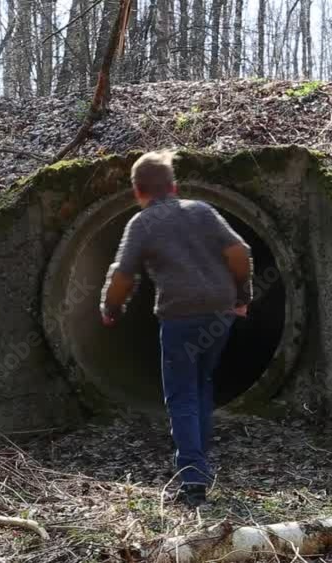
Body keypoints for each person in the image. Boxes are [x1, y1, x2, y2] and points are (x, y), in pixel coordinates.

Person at [100, 151, 253, 508]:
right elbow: (240, 251)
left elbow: (123, 274)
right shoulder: (201, 210)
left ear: (138, 192)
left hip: (180, 316)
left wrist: (111, 308)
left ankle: (194, 480)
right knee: (201, 384)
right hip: (219, 312)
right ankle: (199, 460)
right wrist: (242, 295)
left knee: (181, 393)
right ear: (173, 187)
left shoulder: (141, 224)